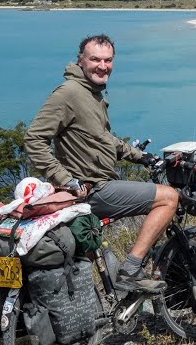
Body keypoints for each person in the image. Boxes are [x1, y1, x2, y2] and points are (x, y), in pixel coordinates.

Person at [23, 33, 178, 294]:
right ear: (80, 61)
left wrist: (142, 157)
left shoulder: (91, 94)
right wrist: (65, 180)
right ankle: (131, 271)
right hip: (92, 189)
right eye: (95, 59)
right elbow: (34, 139)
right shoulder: (69, 93)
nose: (102, 66)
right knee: (169, 198)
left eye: (108, 60)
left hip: (94, 186)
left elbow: (104, 140)